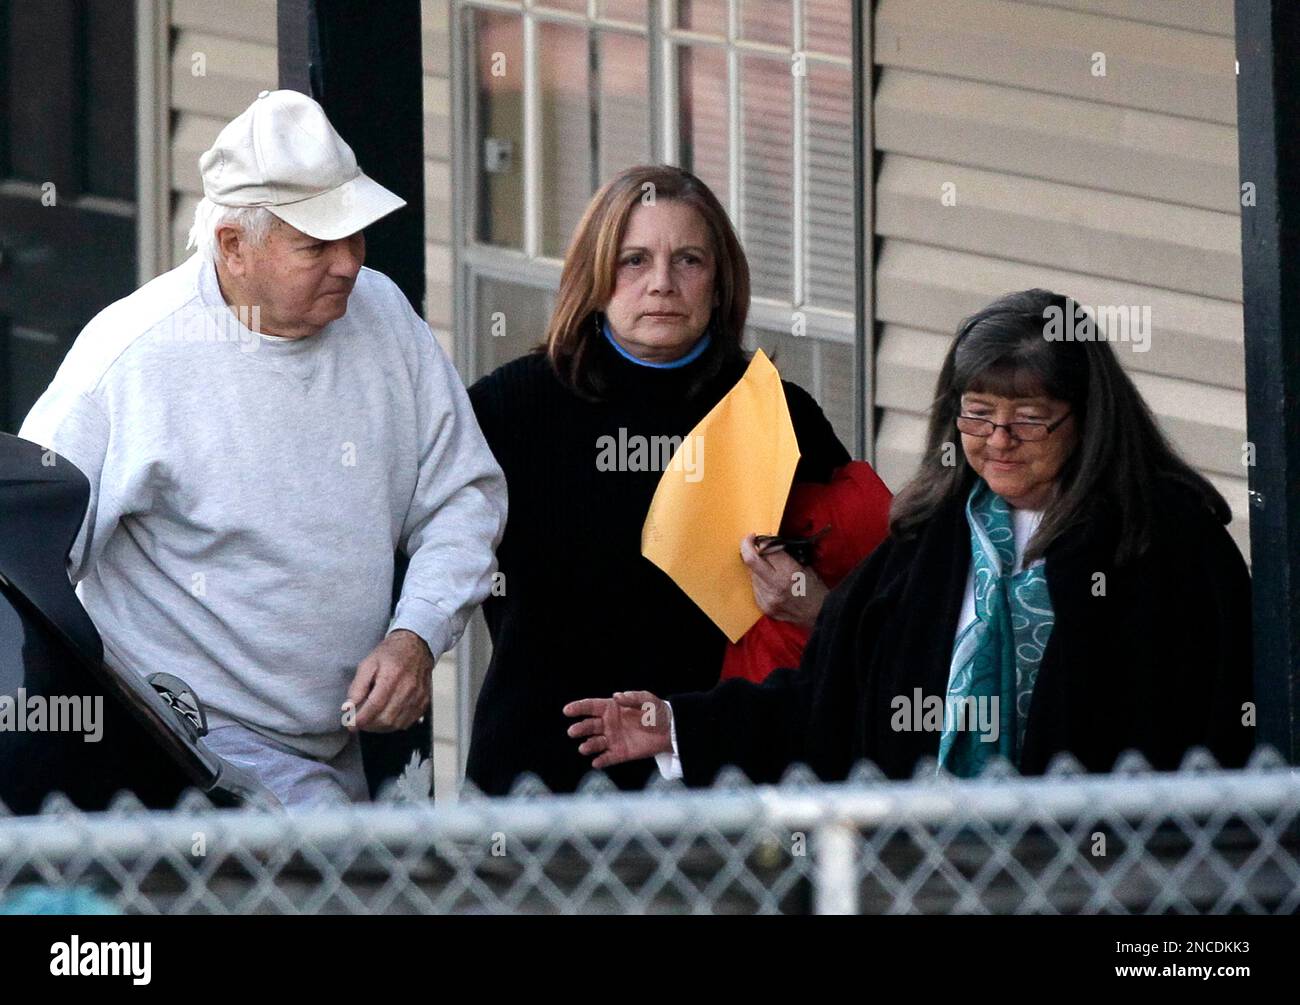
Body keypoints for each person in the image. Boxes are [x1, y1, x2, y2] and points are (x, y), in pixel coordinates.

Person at [20, 90, 507, 807]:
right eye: (316, 244)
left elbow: (464, 495)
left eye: (356, 235)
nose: (348, 264)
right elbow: (33, 552)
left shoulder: (386, 317)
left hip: (335, 747)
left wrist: (417, 634)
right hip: (174, 749)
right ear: (232, 246)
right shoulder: (132, 357)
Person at [564, 289, 1255, 783]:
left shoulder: (1165, 544)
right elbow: (826, 704)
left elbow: (1221, 730)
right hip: (933, 880)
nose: (1000, 440)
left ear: (1087, 419)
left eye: (1030, 417)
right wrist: (681, 724)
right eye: (978, 414)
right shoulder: (927, 544)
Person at [466, 165, 858, 795]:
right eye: (634, 261)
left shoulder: (775, 413)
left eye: (689, 261)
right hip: (541, 776)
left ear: (720, 281)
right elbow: (424, 552)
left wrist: (812, 603)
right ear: (595, 276)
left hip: (723, 774)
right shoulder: (510, 409)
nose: (662, 284)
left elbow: (877, 602)